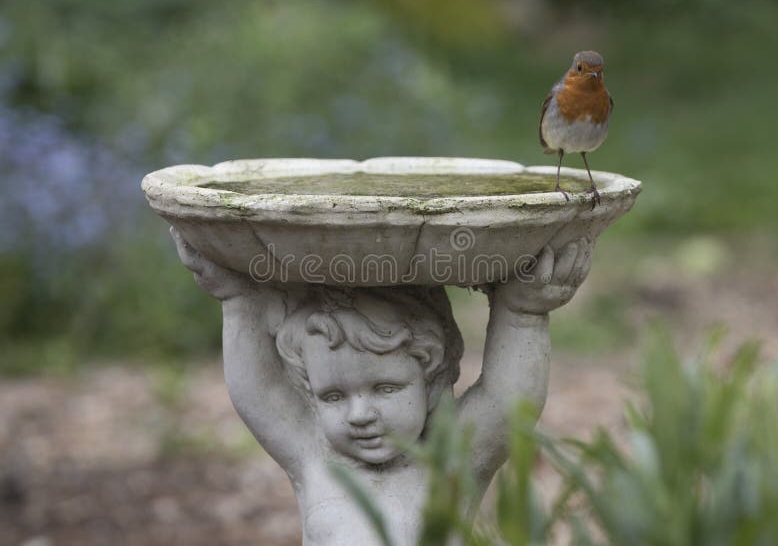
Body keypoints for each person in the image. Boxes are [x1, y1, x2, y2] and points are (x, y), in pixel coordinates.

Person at [171, 228, 592, 546]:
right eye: (333, 396)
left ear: (431, 380)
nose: (359, 415)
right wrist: (238, 303)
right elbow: (258, 392)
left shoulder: (452, 462)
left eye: (386, 388)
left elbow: (507, 401)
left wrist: (521, 314)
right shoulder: (317, 458)